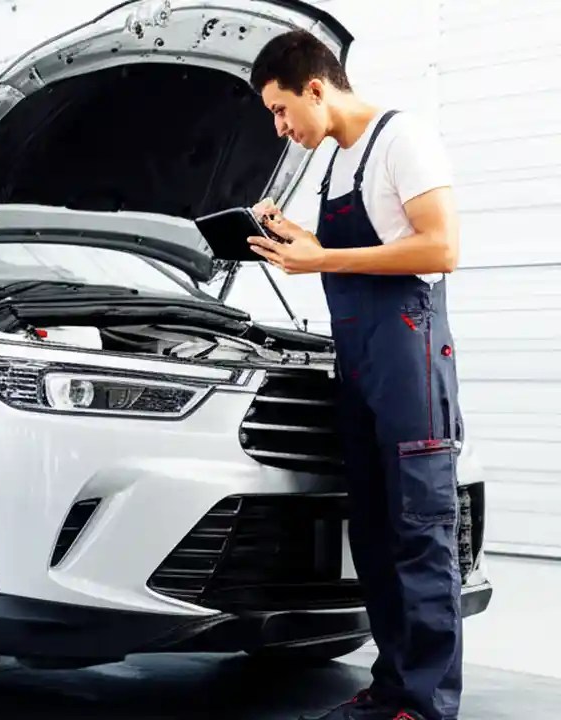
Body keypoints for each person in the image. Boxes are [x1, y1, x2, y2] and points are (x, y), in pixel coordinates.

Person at [244, 30, 465, 720]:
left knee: (419, 532)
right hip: (360, 365)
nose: (281, 129)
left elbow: (440, 246)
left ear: (316, 87)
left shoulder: (402, 139)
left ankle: (425, 705)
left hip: (410, 356)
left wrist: (321, 261)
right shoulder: (336, 165)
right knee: (372, 531)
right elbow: (346, 250)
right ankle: (394, 688)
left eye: (282, 110)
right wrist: (295, 241)